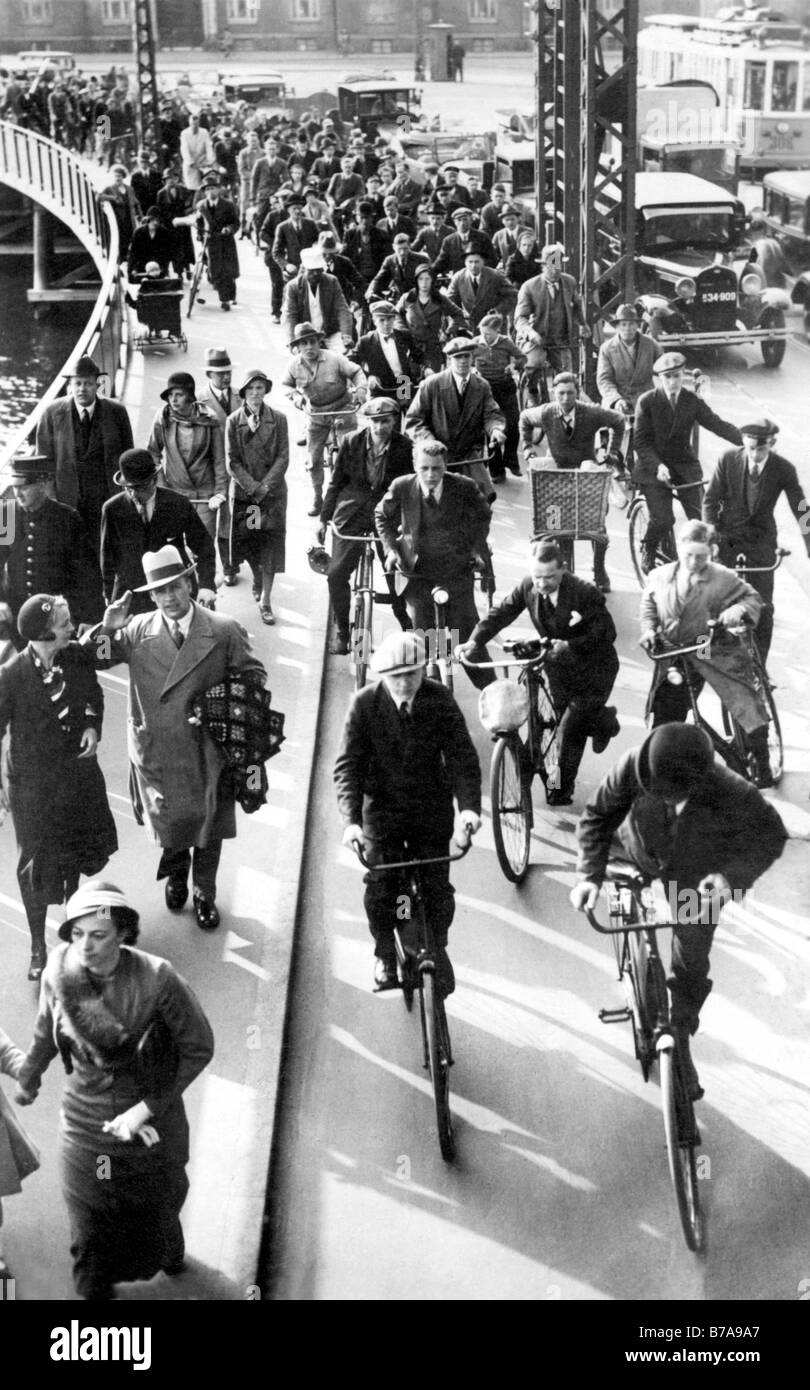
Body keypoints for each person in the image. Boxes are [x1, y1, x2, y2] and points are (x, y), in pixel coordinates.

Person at [14, 879, 214, 1301]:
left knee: (161, 1208)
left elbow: (199, 1047)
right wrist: (29, 1076)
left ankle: (169, 1251)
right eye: (77, 934)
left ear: (123, 934)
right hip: (85, 1124)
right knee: (89, 1229)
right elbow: (45, 1035)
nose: (84, 946)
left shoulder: (159, 978)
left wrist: (147, 1107)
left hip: (150, 1123)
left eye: (99, 935)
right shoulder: (58, 972)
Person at [570, 723, 788, 1098]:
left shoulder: (726, 785)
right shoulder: (632, 767)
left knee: (692, 951)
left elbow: (771, 834)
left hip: (694, 873)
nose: (669, 801)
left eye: (678, 796)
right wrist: (589, 876)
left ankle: (681, 1031)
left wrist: (728, 879)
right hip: (635, 851)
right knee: (629, 908)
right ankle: (640, 978)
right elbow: (596, 819)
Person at [85, 547, 267, 930]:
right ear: (151, 596)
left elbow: (254, 678)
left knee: (209, 822)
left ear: (189, 582)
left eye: (174, 587)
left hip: (208, 749)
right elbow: (97, 658)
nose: (168, 598)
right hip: (157, 748)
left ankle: (204, 892)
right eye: (159, 592)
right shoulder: (135, 630)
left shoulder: (222, 629)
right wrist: (107, 627)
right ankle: (175, 871)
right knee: (170, 820)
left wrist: (220, 703)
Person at [335, 631, 481, 994]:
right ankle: (385, 952)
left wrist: (468, 811)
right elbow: (348, 767)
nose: (403, 683)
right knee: (384, 888)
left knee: (437, 890)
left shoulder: (439, 700)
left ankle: (439, 947)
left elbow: (462, 757)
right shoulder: (364, 704)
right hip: (381, 811)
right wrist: (351, 821)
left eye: (411, 674)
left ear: (422, 671)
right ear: (382, 675)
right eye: (395, 676)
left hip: (430, 806)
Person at [0, 592, 117, 982]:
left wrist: (90, 725)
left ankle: (75, 935)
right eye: (65, 625)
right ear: (46, 633)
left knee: (75, 853)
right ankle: (37, 946)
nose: (71, 629)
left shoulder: (76, 657)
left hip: (76, 778)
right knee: (34, 867)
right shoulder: (12, 676)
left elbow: (94, 695)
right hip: (33, 787)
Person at [459, 539, 621, 805]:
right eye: (537, 577)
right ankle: (600, 722)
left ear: (563, 569)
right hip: (557, 667)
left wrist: (570, 645)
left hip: (594, 671)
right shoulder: (528, 586)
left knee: (568, 730)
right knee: (557, 722)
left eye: (549, 577)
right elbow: (501, 613)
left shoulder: (584, 592)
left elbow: (607, 633)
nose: (542, 584)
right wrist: (475, 640)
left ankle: (559, 787)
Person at [640, 519, 774, 787]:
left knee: (744, 703)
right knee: (666, 712)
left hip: (710, 646)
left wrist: (737, 611)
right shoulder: (660, 576)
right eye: (688, 555)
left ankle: (761, 761)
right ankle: (662, 770)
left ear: (711, 552)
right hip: (676, 652)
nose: (693, 562)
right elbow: (649, 605)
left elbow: (752, 599)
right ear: (679, 548)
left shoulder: (722, 577)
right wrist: (649, 630)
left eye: (701, 556)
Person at [374, 441, 494, 690]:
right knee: (423, 636)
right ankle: (427, 692)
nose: (430, 475)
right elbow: (382, 516)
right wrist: (391, 549)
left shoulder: (464, 486)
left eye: (437, 469)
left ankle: (495, 699)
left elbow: (483, 516)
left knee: (468, 637)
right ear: (415, 466)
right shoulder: (403, 486)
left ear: (445, 466)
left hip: (456, 571)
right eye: (424, 468)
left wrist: (476, 548)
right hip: (417, 574)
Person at [703, 417, 810, 664]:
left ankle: (760, 667)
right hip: (727, 538)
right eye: (750, 448)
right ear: (743, 441)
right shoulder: (728, 459)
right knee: (714, 602)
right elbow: (710, 501)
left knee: (763, 607)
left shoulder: (784, 468)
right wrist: (710, 536)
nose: (755, 454)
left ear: (771, 443)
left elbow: (802, 509)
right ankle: (706, 659)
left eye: (761, 449)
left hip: (761, 541)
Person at [317, 397, 413, 654]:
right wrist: (324, 519)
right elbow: (336, 483)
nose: (380, 427)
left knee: (400, 575)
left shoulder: (405, 448)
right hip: (351, 514)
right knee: (336, 573)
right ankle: (344, 633)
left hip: (388, 517)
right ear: (367, 421)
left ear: (395, 421)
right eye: (375, 421)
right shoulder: (351, 442)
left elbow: (410, 491)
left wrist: (407, 525)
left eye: (386, 421)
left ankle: (407, 624)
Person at [634, 353, 742, 573]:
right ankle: (649, 546)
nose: (673, 382)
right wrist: (658, 466)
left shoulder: (691, 400)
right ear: (659, 379)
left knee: (703, 518)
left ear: (683, 376)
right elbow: (641, 441)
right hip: (653, 468)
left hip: (684, 465)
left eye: (677, 376)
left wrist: (748, 442)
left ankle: (703, 564)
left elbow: (717, 424)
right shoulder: (647, 401)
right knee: (664, 518)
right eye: (668, 377)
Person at [519, 371, 625, 591]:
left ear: (577, 393)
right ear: (553, 393)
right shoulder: (547, 412)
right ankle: (566, 571)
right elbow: (524, 419)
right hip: (557, 474)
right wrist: (528, 447)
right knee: (559, 524)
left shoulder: (591, 412)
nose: (565, 398)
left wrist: (611, 452)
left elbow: (618, 421)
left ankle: (599, 571)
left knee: (596, 523)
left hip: (586, 475)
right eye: (561, 393)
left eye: (570, 393)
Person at [100, 450, 217, 615]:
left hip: (173, 589)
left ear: (154, 480)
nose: (133, 494)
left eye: (139, 487)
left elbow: (203, 545)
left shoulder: (178, 504)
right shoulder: (112, 509)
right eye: (128, 488)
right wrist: (108, 593)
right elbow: (107, 555)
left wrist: (207, 585)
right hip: (133, 594)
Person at [36, 355, 134, 550]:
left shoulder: (116, 412)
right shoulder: (52, 413)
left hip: (105, 498)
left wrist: (127, 493)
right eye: (77, 383)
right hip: (67, 498)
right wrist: (51, 498)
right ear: (70, 385)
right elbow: (43, 462)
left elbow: (127, 457)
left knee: (105, 550)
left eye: (88, 383)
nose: (82, 389)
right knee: (71, 551)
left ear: (97, 384)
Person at [0, 454, 103, 639]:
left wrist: (89, 616)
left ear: (42, 485)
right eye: (15, 487)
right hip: (18, 616)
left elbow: (87, 574)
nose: (18, 494)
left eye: (24, 487)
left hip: (55, 618)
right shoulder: (7, 514)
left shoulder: (67, 518)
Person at [280, 322, 368, 516]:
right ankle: (317, 496)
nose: (309, 347)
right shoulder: (294, 365)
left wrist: (360, 391)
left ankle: (348, 497)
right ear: (298, 347)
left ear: (319, 342)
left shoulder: (334, 359)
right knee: (313, 458)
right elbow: (286, 385)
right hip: (316, 414)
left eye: (312, 342)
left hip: (342, 409)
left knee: (351, 452)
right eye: (304, 344)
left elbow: (357, 372)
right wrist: (297, 398)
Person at [405, 337, 506, 501]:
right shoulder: (432, 384)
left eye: (467, 356)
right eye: (458, 357)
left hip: (469, 454)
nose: (463, 361)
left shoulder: (482, 386)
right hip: (437, 456)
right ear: (449, 359)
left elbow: (491, 414)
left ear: (472, 358)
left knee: (484, 498)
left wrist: (495, 429)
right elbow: (414, 420)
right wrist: (430, 443)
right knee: (438, 501)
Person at [225, 369, 289, 626]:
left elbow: (283, 456)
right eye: (250, 389)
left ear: (266, 391)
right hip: (246, 497)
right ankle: (257, 578)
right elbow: (231, 461)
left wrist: (265, 487)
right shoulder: (232, 421)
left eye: (260, 388)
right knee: (251, 542)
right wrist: (253, 488)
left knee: (271, 545)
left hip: (272, 496)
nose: (255, 394)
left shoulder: (280, 420)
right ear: (243, 393)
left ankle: (265, 600)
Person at [146, 370, 227, 546]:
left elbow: (219, 459)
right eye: (170, 395)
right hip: (175, 492)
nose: (173, 400)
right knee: (175, 547)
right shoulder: (163, 418)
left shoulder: (209, 419)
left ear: (190, 396)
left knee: (203, 546)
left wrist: (220, 493)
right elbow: (153, 453)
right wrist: (161, 486)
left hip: (204, 495)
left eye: (179, 395)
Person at [514, 243, 591, 400]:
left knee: (567, 377)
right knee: (532, 367)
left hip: (560, 340)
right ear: (543, 266)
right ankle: (532, 396)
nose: (555, 270)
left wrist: (582, 324)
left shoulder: (569, 282)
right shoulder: (529, 287)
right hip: (537, 340)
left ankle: (566, 405)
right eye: (551, 266)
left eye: (559, 266)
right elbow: (520, 318)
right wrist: (531, 333)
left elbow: (577, 305)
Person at [470, 311, 525, 479]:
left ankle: (511, 460)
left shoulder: (506, 342)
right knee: (492, 428)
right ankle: (496, 469)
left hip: (505, 387)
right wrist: (473, 370)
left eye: (488, 334)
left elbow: (522, 357)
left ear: (497, 331)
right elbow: (467, 360)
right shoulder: (475, 344)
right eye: (482, 333)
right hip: (486, 389)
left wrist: (514, 366)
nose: (484, 337)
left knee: (512, 424)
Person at [176, 173, 239, 310]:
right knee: (214, 270)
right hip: (210, 241)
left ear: (218, 190)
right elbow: (199, 222)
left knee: (227, 271)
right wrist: (199, 234)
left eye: (213, 189)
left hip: (225, 241)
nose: (210, 192)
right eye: (207, 190)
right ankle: (218, 287)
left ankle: (226, 299)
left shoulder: (228, 205)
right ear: (204, 192)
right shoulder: (201, 205)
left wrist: (228, 229)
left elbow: (235, 223)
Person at [394, 263, 465, 375]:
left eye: (428, 279)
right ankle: (405, 392)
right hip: (411, 347)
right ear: (416, 281)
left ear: (433, 280)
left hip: (432, 348)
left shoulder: (440, 299)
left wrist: (448, 332)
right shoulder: (408, 298)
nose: (424, 283)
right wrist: (403, 331)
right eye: (421, 279)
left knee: (431, 382)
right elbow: (396, 314)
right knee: (406, 381)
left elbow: (458, 314)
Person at [280, 245, 353, 353]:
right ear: (304, 269)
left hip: (329, 332)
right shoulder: (293, 286)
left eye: (319, 270)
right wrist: (292, 341)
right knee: (302, 360)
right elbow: (290, 315)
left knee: (342, 356)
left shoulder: (331, 281)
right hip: (304, 335)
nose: (316, 274)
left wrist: (346, 335)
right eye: (312, 270)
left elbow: (342, 309)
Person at [595, 303, 662, 419]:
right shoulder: (606, 348)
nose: (628, 328)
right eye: (623, 324)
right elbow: (604, 380)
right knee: (612, 425)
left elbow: (664, 368)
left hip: (645, 397)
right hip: (618, 397)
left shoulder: (650, 344)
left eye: (631, 324)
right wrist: (616, 400)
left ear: (637, 325)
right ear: (617, 327)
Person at [350, 300, 418, 405]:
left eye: (390, 319)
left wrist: (427, 368)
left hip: (404, 382)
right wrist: (368, 376)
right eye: (382, 320)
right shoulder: (366, 341)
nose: (386, 324)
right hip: (380, 387)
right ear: (374, 321)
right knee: (386, 417)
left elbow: (418, 354)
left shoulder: (403, 336)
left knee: (408, 413)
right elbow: (351, 363)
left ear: (394, 319)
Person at [446, 248, 517, 334]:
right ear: (465, 263)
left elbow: (512, 295)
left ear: (483, 262)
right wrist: (457, 318)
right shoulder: (458, 277)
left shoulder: (495, 276)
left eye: (477, 262)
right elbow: (450, 300)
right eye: (470, 262)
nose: (473, 266)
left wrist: (498, 311)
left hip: (494, 325)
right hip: (470, 326)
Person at [432, 206, 497, 276]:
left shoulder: (482, 237)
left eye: (465, 219)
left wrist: (480, 271)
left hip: (480, 276)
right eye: (459, 220)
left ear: (471, 221)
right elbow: (441, 262)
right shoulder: (449, 241)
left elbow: (492, 260)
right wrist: (428, 271)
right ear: (454, 222)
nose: (462, 223)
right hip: (458, 279)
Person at [366, 232, 429, 304]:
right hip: (398, 299)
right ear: (393, 247)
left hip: (418, 299)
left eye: (405, 249)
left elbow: (428, 281)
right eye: (399, 249)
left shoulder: (421, 260)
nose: (402, 253)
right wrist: (370, 290)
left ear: (410, 246)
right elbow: (378, 278)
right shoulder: (389, 260)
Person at [127, 205, 173, 279]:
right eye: (153, 220)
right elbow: (133, 253)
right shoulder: (138, 233)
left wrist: (164, 270)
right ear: (148, 220)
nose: (155, 223)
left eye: (158, 220)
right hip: (141, 269)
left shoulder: (164, 233)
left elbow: (166, 255)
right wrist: (133, 269)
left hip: (158, 269)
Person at [179, 111, 214, 191]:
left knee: (207, 183)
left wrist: (209, 160)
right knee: (192, 187)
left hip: (203, 161)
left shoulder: (204, 132)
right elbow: (184, 149)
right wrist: (190, 162)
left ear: (199, 123)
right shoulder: (184, 133)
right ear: (189, 123)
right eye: (193, 124)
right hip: (191, 164)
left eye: (196, 123)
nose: (195, 126)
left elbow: (209, 147)